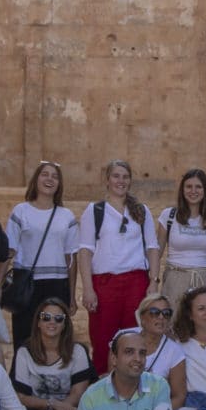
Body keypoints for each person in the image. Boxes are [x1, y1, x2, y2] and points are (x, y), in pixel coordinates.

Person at [76, 159, 159, 372]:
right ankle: (104, 391)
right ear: (107, 180)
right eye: (116, 176)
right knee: (104, 339)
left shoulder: (141, 211)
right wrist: (88, 288)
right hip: (104, 284)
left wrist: (153, 282)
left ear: (130, 181)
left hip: (136, 282)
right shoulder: (95, 211)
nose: (120, 181)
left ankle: (133, 388)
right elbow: (85, 252)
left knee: (135, 338)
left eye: (125, 177)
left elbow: (152, 248)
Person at [4, 161, 80, 349]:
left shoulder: (66, 216)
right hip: (27, 284)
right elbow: (9, 251)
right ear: (36, 179)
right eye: (45, 174)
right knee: (24, 339)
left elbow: (71, 258)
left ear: (59, 184)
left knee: (56, 341)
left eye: (55, 176)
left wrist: (71, 296)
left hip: (56, 283)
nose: (49, 179)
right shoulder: (21, 211)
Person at [157, 168, 206, 308]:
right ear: (182, 189)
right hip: (176, 278)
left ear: (205, 191)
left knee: (204, 325)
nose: (193, 191)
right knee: (173, 324)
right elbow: (157, 252)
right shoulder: (169, 215)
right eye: (189, 186)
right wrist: (153, 281)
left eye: (198, 187)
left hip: (204, 279)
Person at [131, 291, 188, 396]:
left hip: (157, 407)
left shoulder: (174, 351)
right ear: (142, 318)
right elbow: (112, 382)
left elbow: (179, 397)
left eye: (166, 313)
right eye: (154, 312)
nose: (161, 317)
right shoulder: (123, 338)